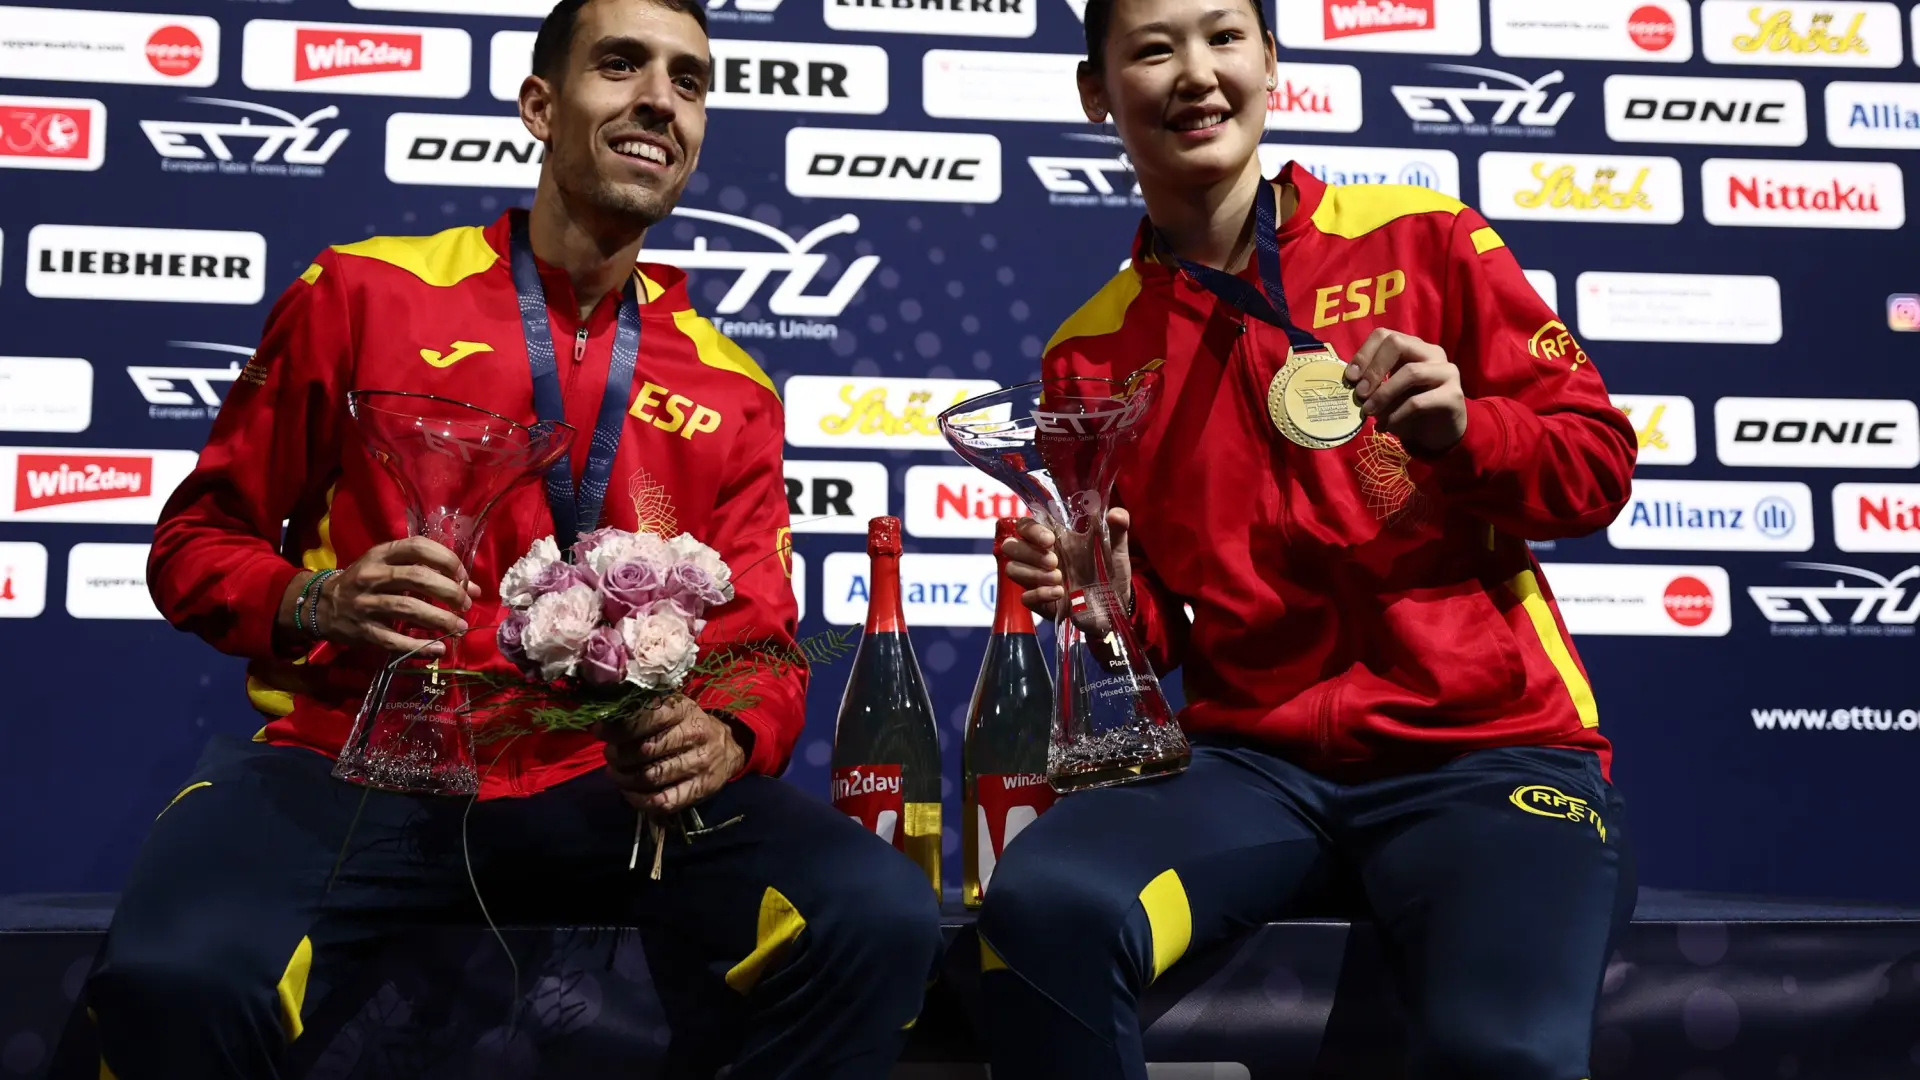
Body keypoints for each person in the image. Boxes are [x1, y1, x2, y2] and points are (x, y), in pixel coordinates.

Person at [83, 0, 943, 1074]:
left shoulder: (731, 387)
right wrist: (316, 601)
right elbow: (198, 545)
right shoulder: (364, 291)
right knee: (178, 980)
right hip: (353, 767)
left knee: (878, 917)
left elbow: (761, 647)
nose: (657, 102)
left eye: (687, 80)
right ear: (541, 103)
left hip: (602, 784)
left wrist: (725, 729)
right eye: (620, 66)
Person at [979, 0, 1639, 1075]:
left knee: (1503, 1056)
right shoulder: (1089, 353)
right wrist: (1098, 598)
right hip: (1253, 767)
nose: (1196, 73)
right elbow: (1160, 637)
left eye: (1223, 37)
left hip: (1482, 757)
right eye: (1153, 49)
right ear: (1096, 92)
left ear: (1273, 65)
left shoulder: (1424, 237)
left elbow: (1595, 468)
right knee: (1045, 910)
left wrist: (1469, 431)